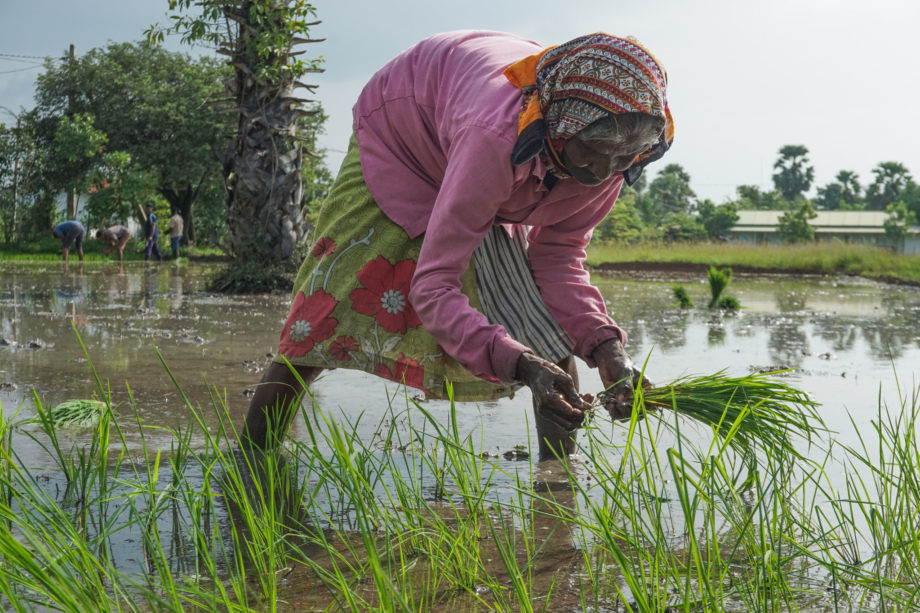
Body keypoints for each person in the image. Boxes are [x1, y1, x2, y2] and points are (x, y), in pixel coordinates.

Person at [243, 31, 674, 459]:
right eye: (593, 153)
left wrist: (607, 350)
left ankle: (558, 475)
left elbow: (559, 260)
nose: (602, 172)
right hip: (404, 131)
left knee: (545, 328)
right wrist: (519, 363)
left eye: (624, 158)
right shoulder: (496, 137)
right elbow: (433, 285)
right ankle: (252, 459)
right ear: (562, 125)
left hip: (485, 138)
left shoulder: (614, 160)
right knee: (327, 311)